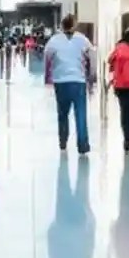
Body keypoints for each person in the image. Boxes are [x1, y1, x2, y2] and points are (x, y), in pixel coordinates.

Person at [44, 15, 94, 154]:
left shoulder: (54, 40)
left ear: (62, 25)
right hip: (78, 81)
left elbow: (47, 56)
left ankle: (63, 142)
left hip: (61, 82)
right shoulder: (82, 39)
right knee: (80, 114)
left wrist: (50, 73)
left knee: (62, 113)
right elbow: (92, 56)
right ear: (74, 25)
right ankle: (83, 145)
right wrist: (91, 76)